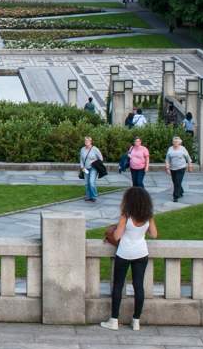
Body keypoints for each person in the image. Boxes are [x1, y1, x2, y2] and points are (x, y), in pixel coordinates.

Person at [101, 187, 157, 331]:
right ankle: (136, 321)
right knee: (139, 286)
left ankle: (114, 320)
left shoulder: (126, 216)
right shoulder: (148, 216)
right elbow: (154, 234)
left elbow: (117, 236)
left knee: (118, 285)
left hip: (124, 253)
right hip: (141, 253)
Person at [165, 135, 190, 201]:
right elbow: (167, 159)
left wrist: (190, 165)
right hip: (173, 168)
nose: (175, 143)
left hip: (181, 167)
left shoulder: (183, 149)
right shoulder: (170, 148)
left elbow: (188, 157)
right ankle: (181, 191)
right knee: (175, 181)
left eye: (177, 141)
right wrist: (167, 168)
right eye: (174, 141)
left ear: (179, 142)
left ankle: (175, 196)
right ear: (172, 142)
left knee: (177, 181)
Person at [79, 135, 103, 203]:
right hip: (85, 168)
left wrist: (94, 161)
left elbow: (101, 158)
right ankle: (88, 196)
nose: (86, 142)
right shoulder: (82, 149)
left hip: (93, 168)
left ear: (91, 141)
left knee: (91, 182)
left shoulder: (95, 149)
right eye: (85, 140)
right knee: (87, 183)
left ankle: (94, 196)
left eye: (88, 140)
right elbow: (81, 159)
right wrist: (82, 167)